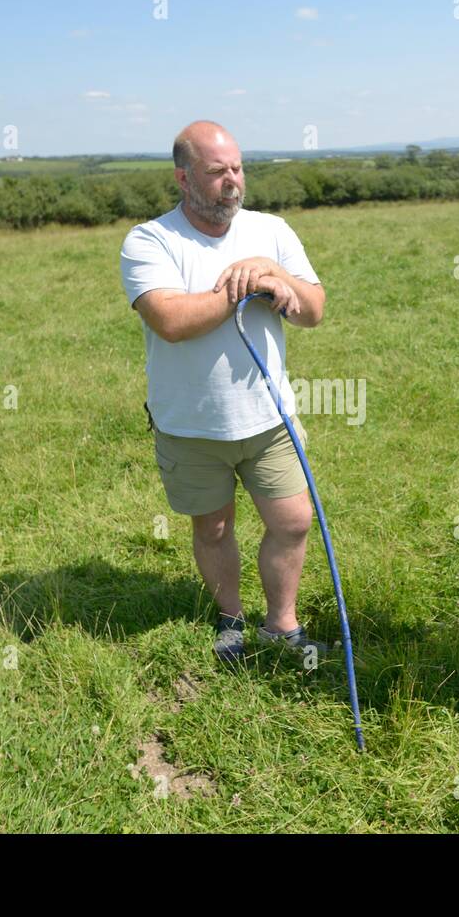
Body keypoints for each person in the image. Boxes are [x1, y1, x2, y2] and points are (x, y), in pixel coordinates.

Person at [120, 120, 328, 663]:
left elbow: (315, 311)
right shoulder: (151, 240)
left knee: (294, 521)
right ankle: (231, 620)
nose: (232, 181)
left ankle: (282, 626)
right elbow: (170, 319)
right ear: (183, 178)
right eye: (216, 172)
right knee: (213, 528)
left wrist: (273, 272)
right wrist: (251, 286)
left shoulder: (272, 231)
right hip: (191, 423)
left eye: (237, 168)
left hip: (269, 417)